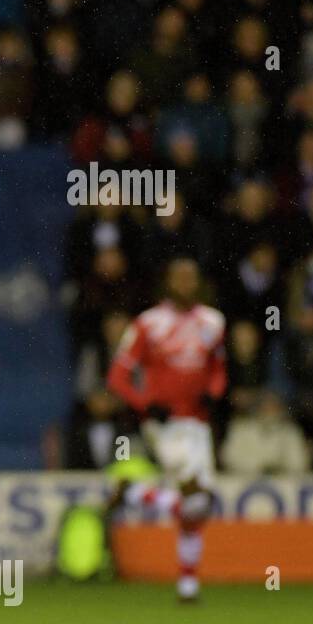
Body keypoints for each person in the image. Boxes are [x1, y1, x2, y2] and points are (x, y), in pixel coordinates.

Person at [105, 257, 227, 602]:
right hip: (166, 425)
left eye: (192, 277)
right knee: (195, 497)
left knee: (198, 507)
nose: (186, 284)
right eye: (180, 277)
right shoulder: (148, 324)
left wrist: (213, 394)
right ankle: (187, 584)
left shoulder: (212, 322)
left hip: (198, 423)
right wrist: (145, 404)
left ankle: (135, 494)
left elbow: (219, 369)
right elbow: (117, 376)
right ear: (168, 282)